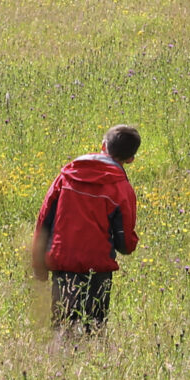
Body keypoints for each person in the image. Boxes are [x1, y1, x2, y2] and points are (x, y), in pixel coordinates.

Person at [29, 124, 139, 335]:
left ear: (103, 146)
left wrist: (38, 262)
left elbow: (44, 219)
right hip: (98, 269)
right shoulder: (122, 188)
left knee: (61, 328)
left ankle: (60, 355)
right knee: (94, 329)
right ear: (131, 159)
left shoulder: (66, 176)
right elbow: (125, 243)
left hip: (63, 263)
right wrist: (129, 244)